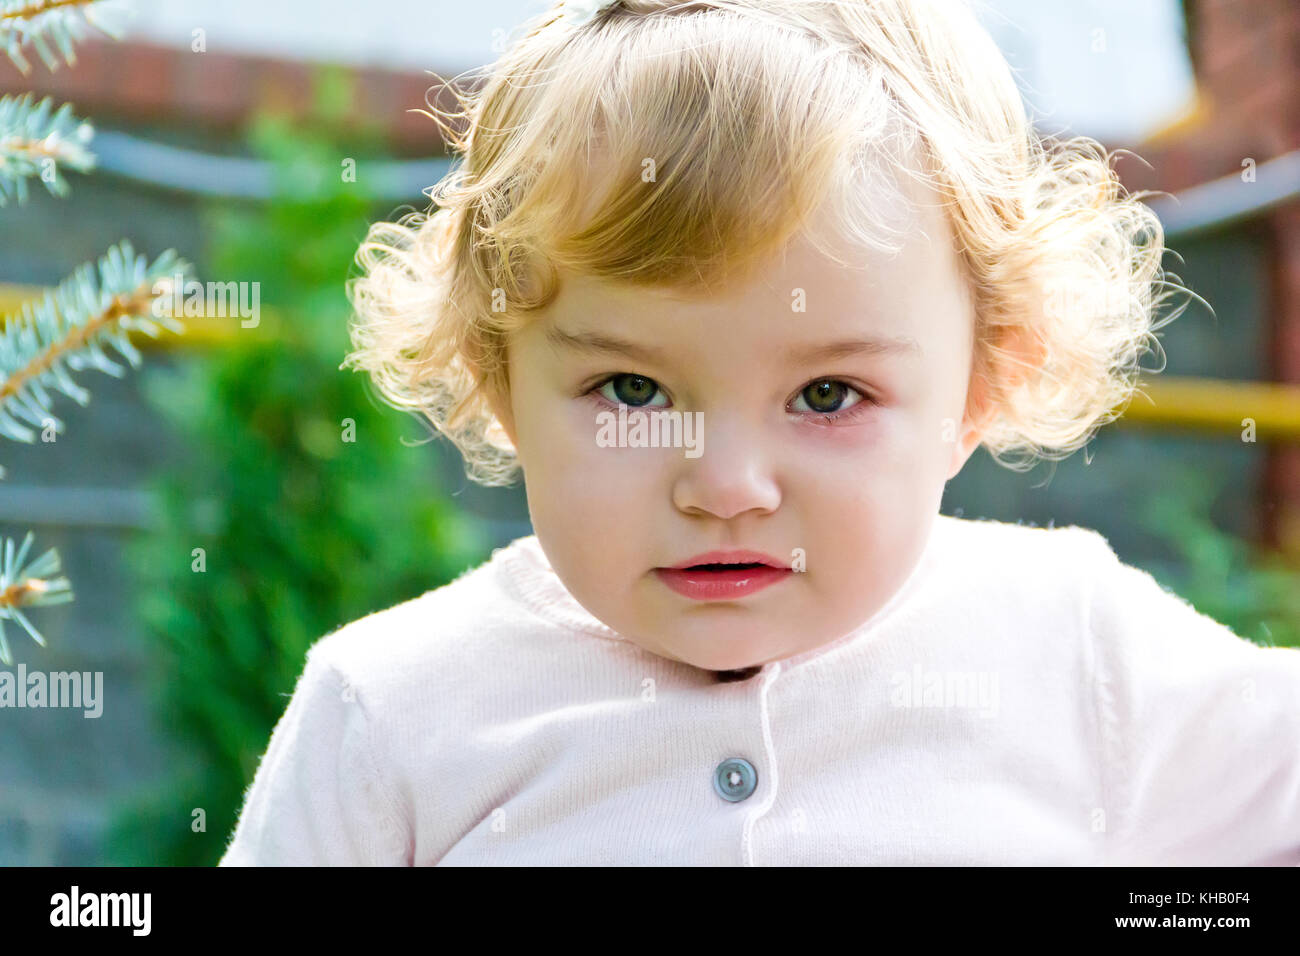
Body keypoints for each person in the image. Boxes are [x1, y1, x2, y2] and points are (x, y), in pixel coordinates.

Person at [219, 0, 1300, 865]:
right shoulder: (393, 712)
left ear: (980, 384)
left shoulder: (1075, 647)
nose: (726, 485)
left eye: (828, 396)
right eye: (633, 391)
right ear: (499, 379)